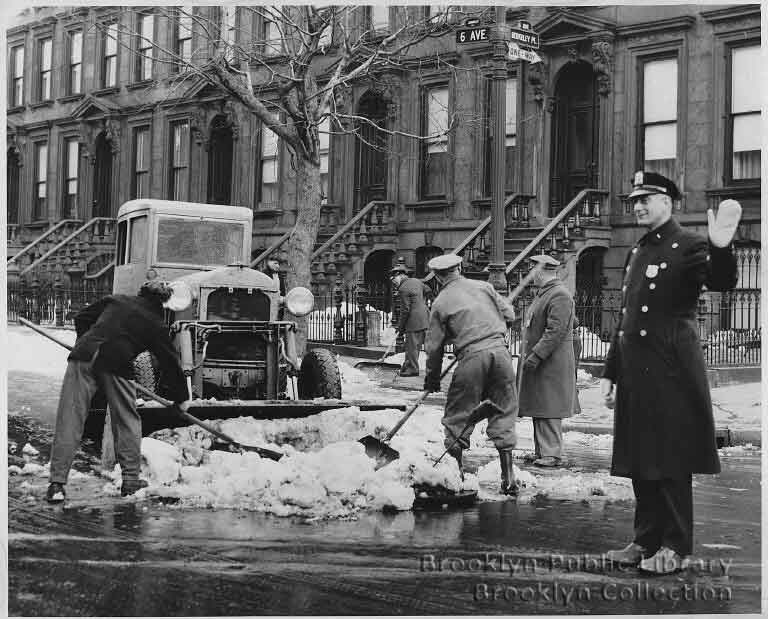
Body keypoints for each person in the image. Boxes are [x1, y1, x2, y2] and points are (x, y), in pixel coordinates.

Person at [601, 171, 741, 574]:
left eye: (647, 198)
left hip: (670, 369)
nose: (639, 206)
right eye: (635, 200)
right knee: (641, 458)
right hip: (636, 370)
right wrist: (611, 371)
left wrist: (722, 247)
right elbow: (626, 318)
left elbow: (722, 281)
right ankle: (645, 541)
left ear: (669, 202)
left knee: (670, 458)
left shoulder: (691, 244)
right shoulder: (638, 249)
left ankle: (675, 545)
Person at [46, 280, 191, 503]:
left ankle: (57, 484)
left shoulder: (117, 299)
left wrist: (86, 341)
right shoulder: (156, 323)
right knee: (126, 419)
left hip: (83, 358)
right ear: (165, 304)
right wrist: (181, 398)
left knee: (70, 418)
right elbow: (170, 362)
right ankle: (131, 481)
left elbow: (82, 317)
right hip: (117, 362)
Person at [423, 254, 520, 495]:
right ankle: (509, 479)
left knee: (459, 414)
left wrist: (432, 377)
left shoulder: (441, 302)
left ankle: (458, 476)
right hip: (501, 355)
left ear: (437, 276)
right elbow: (510, 316)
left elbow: (433, 346)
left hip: (472, 359)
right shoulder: (484, 286)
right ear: (460, 267)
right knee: (503, 410)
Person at [517, 254, 576, 467]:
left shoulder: (558, 294)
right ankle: (542, 451)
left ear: (541, 272)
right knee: (540, 406)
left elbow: (555, 331)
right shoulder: (547, 294)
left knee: (550, 408)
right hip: (544, 363)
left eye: (533, 272)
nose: (531, 277)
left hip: (550, 363)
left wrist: (536, 355)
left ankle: (552, 454)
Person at [390, 263, 429, 377]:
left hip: (413, 321)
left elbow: (405, 310)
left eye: (394, 280)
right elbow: (428, 289)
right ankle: (408, 366)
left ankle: (412, 369)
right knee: (415, 346)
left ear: (399, 276)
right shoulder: (417, 281)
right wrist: (422, 302)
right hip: (425, 317)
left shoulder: (403, 288)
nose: (394, 283)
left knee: (412, 347)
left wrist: (400, 327)